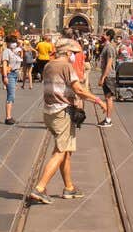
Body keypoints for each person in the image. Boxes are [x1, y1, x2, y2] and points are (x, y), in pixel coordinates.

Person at [29, 39, 107, 205]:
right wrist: (98, 101)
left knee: (66, 151)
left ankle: (69, 187)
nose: (75, 56)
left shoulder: (49, 65)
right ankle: (40, 188)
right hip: (62, 112)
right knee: (60, 151)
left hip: (49, 111)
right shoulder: (66, 66)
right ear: (67, 52)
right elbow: (78, 89)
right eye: (73, 53)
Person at [95, 29, 118, 126]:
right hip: (107, 75)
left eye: (104, 34)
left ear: (108, 36)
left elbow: (109, 64)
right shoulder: (107, 47)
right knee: (107, 97)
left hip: (108, 76)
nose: (102, 35)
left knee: (108, 98)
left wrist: (103, 77)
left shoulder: (109, 48)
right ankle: (107, 119)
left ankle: (108, 120)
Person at [1, 35, 23, 125]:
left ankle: (9, 116)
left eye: (15, 42)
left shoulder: (14, 51)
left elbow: (21, 45)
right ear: (8, 43)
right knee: (11, 95)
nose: (14, 43)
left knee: (12, 95)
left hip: (14, 74)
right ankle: (8, 118)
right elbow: (4, 63)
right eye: (12, 42)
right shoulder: (6, 51)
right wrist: (5, 76)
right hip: (9, 74)